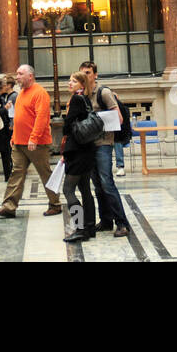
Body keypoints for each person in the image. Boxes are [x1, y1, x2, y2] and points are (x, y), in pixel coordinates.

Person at [0, 65, 62, 218]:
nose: (17, 77)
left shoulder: (40, 93)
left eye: (20, 74)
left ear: (30, 76)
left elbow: (42, 118)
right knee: (16, 174)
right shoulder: (21, 93)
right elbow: (18, 118)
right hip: (19, 142)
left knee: (45, 174)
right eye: (17, 74)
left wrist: (34, 137)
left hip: (36, 144)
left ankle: (55, 204)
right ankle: (9, 206)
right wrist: (13, 137)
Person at [78, 61, 130, 237]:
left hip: (104, 143)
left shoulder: (104, 92)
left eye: (88, 72)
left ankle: (122, 223)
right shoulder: (82, 94)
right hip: (89, 145)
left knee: (107, 182)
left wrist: (96, 120)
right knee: (98, 185)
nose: (85, 76)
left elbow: (119, 118)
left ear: (95, 75)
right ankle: (106, 220)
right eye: (82, 73)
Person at [58, 71, 99, 243]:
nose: (69, 83)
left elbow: (68, 127)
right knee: (85, 190)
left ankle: (80, 228)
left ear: (81, 85)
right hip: (88, 150)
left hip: (77, 152)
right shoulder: (87, 100)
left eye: (73, 81)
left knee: (68, 190)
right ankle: (89, 227)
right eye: (69, 80)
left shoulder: (75, 99)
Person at [0, 74, 16, 182]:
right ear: (0, 86)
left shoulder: (1, 96)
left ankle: (8, 175)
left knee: (6, 153)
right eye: (5, 84)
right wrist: (5, 108)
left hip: (3, 130)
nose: (7, 86)